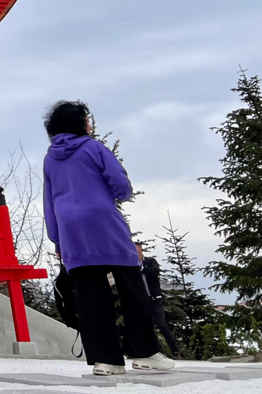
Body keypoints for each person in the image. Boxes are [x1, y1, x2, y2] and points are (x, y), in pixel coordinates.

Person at [42, 100, 174, 376]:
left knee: (90, 296)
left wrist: (57, 240)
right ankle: (145, 352)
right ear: (80, 124)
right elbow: (121, 186)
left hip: (70, 230)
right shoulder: (94, 147)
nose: (89, 124)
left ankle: (106, 360)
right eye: (87, 120)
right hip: (103, 222)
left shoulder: (50, 158)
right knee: (131, 287)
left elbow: (48, 201)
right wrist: (119, 194)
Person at [139, 243, 180, 356]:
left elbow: (155, 272)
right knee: (148, 327)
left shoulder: (150, 261)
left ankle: (175, 351)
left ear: (141, 250)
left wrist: (142, 269)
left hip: (154, 298)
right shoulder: (132, 265)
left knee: (161, 324)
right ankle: (158, 352)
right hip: (143, 300)